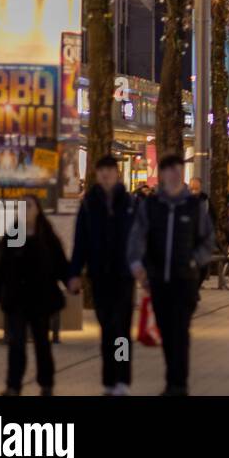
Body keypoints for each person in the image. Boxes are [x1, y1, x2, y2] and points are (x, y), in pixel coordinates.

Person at [126, 153, 217, 395]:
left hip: (185, 281)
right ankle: (171, 380)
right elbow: (137, 238)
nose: (174, 175)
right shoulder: (151, 206)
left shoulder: (194, 206)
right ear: (163, 175)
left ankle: (179, 384)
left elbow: (207, 239)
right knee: (166, 331)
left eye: (178, 170)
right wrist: (138, 267)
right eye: (170, 170)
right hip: (158, 280)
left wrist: (194, 260)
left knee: (181, 331)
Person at [66, 155, 136, 395]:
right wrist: (74, 273)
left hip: (124, 276)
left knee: (121, 331)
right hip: (100, 276)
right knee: (108, 329)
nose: (106, 174)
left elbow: (139, 239)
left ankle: (123, 378)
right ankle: (109, 379)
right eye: (102, 170)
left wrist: (143, 267)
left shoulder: (129, 203)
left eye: (110, 170)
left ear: (117, 174)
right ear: (96, 174)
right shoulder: (88, 205)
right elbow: (80, 242)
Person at [0, 196, 69, 396]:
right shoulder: (13, 234)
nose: (24, 210)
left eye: (29, 206)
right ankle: (13, 385)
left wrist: (70, 281)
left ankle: (46, 383)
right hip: (17, 299)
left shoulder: (46, 235)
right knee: (16, 344)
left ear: (37, 209)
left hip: (40, 299)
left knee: (42, 344)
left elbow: (59, 261)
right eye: (21, 206)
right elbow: (2, 267)